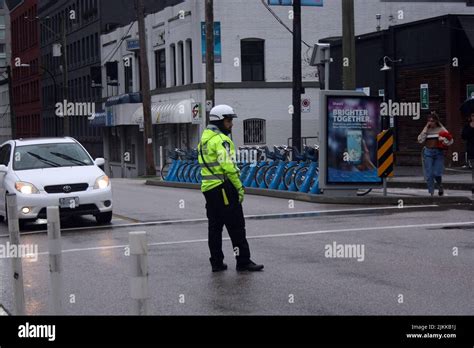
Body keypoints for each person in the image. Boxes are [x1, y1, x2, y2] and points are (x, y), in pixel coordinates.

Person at [198, 104, 264, 272]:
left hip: (208, 189)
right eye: (228, 120)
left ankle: (217, 262)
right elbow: (229, 167)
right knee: (236, 226)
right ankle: (243, 261)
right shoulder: (221, 141)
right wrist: (239, 188)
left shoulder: (204, 140)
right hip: (223, 187)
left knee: (215, 228)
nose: (231, 124)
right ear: (220, 121)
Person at [417, 111, 454, 196]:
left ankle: (440, 186)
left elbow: (450, 140)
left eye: (432, 121)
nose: (431, 122)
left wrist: (444, 141)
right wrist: (425, 129)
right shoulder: (426, 129)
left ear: (436, 121)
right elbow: (420, 140)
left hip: (438, 152)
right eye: (429, 120)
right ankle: (431, 192)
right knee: (429, 174)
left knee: (437, 173)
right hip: (428, 152)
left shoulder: (441, 129)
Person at [461, 112, 474, 194]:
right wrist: (471, 127)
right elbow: (464, 136)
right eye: (473, 115)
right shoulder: (467, 126)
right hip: (471, 150)